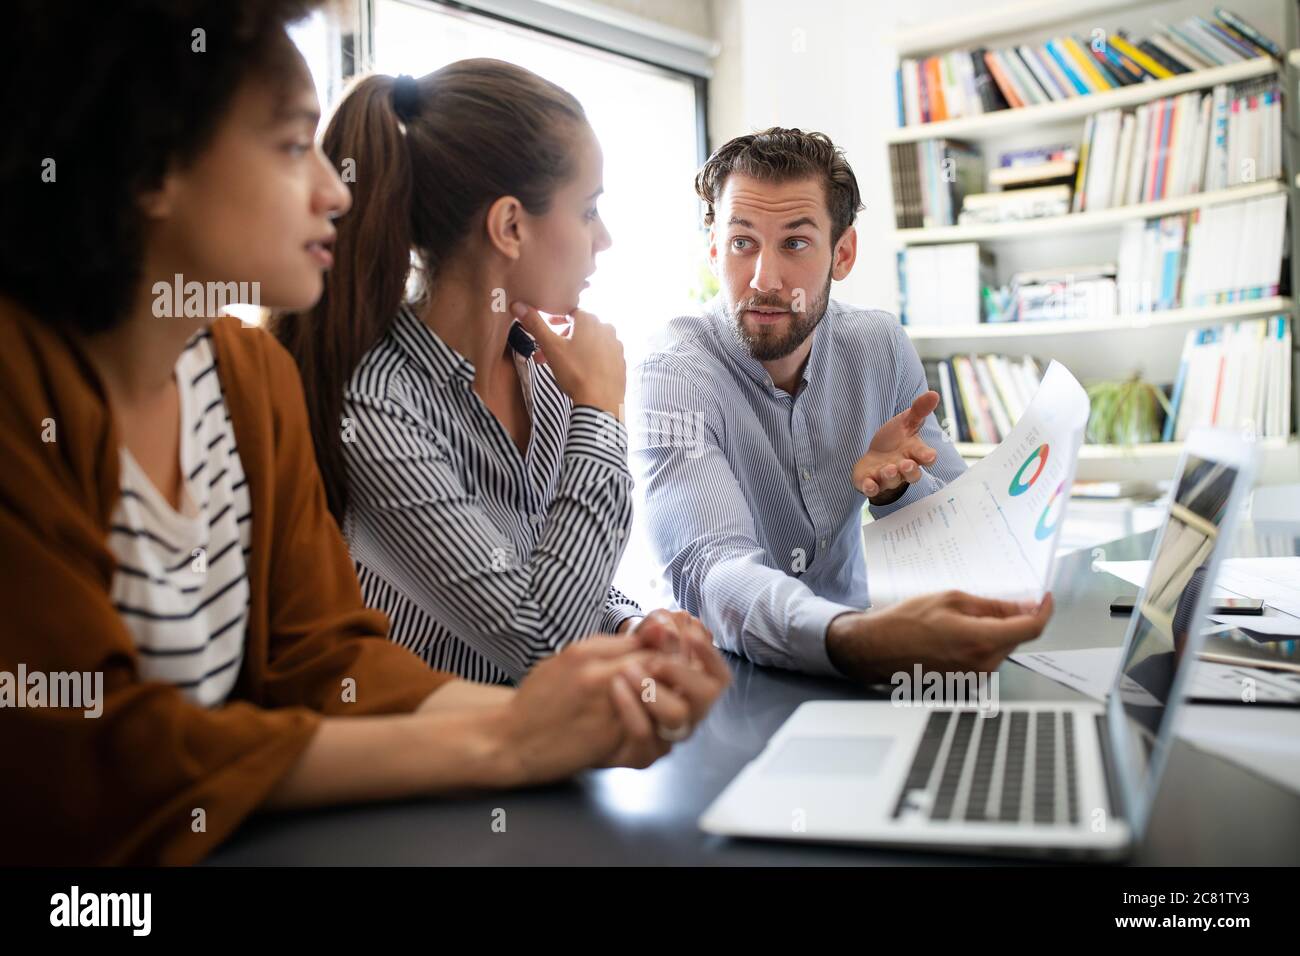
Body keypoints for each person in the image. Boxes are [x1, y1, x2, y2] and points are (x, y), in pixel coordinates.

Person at [0, 0, 728, 865]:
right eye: (287, 146)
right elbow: (91, 758)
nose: (335, 190)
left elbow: (325, 662)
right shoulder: (20, 385)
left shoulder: (251, 382)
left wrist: (590, 697)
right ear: (150, 164)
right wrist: (507, 740)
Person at [273, 59, 714, 684]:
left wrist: (625, 621)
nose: (605, 238)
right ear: (510, 226)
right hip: (437, 768)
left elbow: (555, 573)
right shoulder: (380, 404)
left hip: (546, 756)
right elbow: (538, 638)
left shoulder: (543, 373)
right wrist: (601, 412)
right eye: (588, 210)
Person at [633, 127, 1051, 683]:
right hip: (718, 683)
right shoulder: (672, 372)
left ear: (843, 252)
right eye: (742, 242)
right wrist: (859, 639)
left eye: (795, 243)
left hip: (863, 663)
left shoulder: (878, 347)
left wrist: (900, 490)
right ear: (714, 250)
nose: (764, 278)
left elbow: (965, 537)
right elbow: (712, 571)